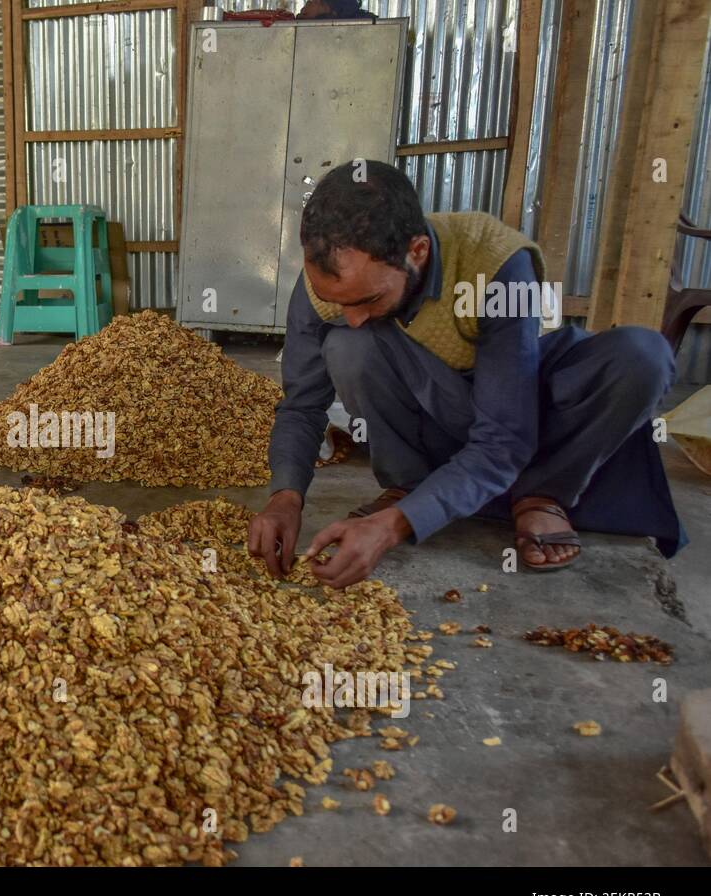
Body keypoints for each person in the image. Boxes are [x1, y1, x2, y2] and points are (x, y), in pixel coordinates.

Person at [248, 159, 684, 589]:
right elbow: (302, 405)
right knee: (348, 344)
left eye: (369, 299)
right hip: (438, 415)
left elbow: (505, 435)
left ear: (416, 252)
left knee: (642, 355)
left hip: (517, 405)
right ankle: (410, 486)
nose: (353, 315)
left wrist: (395, 528)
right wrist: (285, 496)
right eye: (337, 301)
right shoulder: (324, 284)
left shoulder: (494, 263)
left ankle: (541, 493)